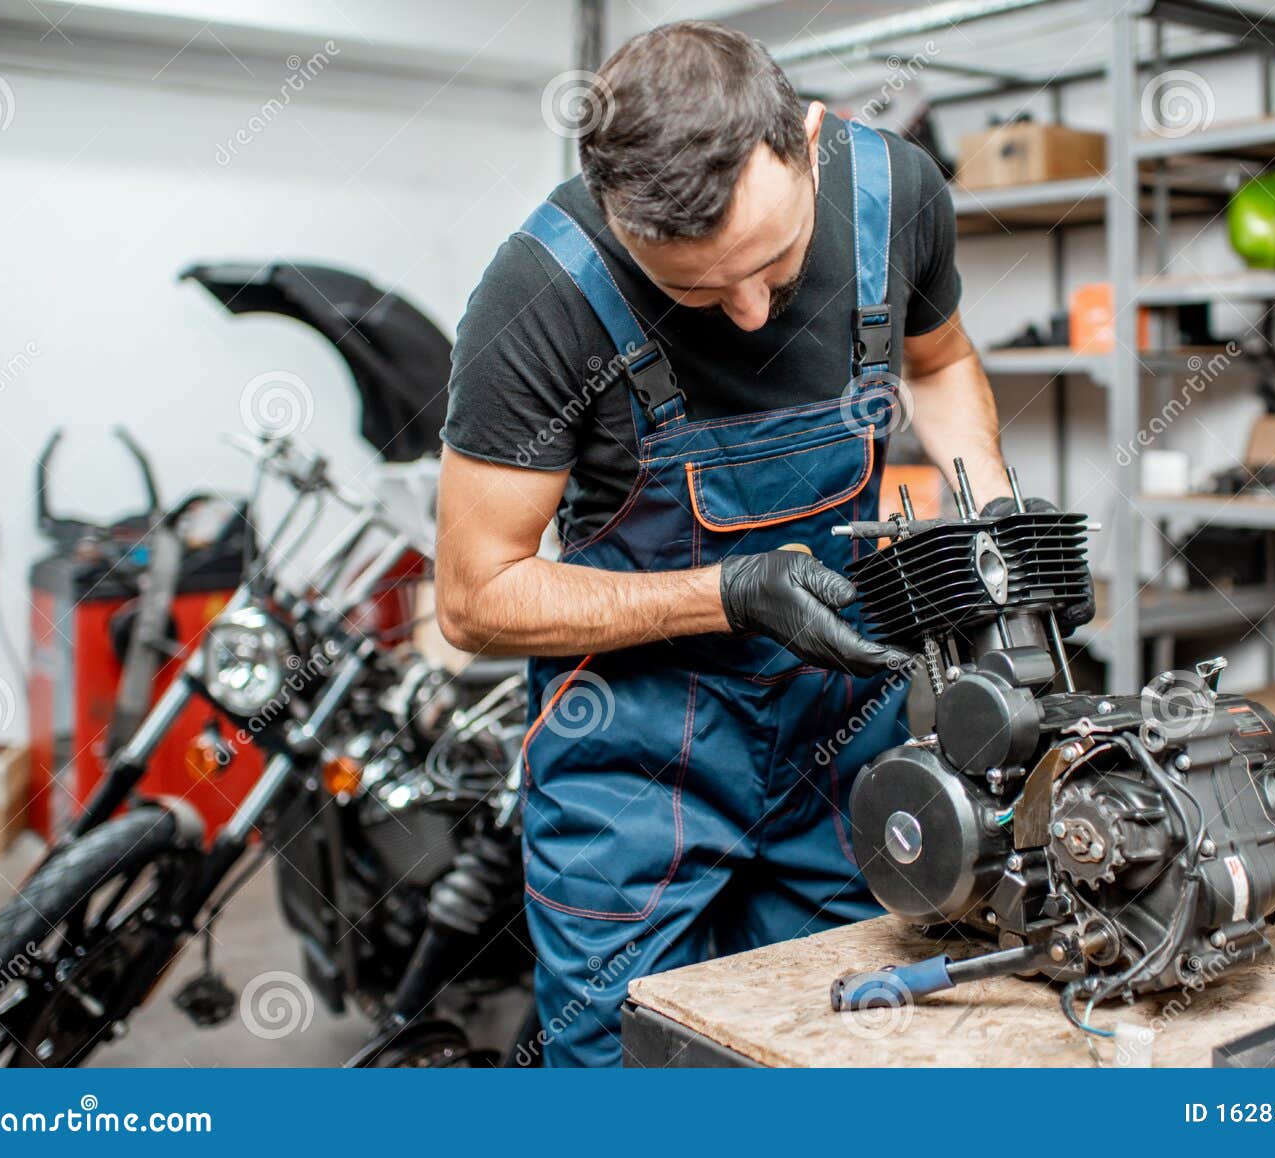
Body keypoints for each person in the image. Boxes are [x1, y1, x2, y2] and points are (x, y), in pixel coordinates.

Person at [435, 20, 1089, 1067]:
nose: (747, 312)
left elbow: (940, 359)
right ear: (614, 216)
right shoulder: (540, 294)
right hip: (630, 763)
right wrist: (728, 593)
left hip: (839, 733)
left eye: (775, 262)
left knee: (834, 1040)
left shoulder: (892, 194)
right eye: (695, 287)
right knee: (628, 1064)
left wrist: (988, 509)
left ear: (809, 136)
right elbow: (474, 598)